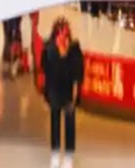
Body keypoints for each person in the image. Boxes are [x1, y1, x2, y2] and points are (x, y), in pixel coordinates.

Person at [41, 16, 84, 168]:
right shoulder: (49, 49)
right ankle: (55, 153)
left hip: (69, 90)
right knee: (55, 121)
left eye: (64, 33)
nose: (62, 36)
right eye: (59, 33)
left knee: (69, 122)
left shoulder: (74, 49)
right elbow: (45, 72)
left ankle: (69, 156)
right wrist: (46, 93)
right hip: (54, 89)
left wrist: (76, 91)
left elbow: (78, 72)